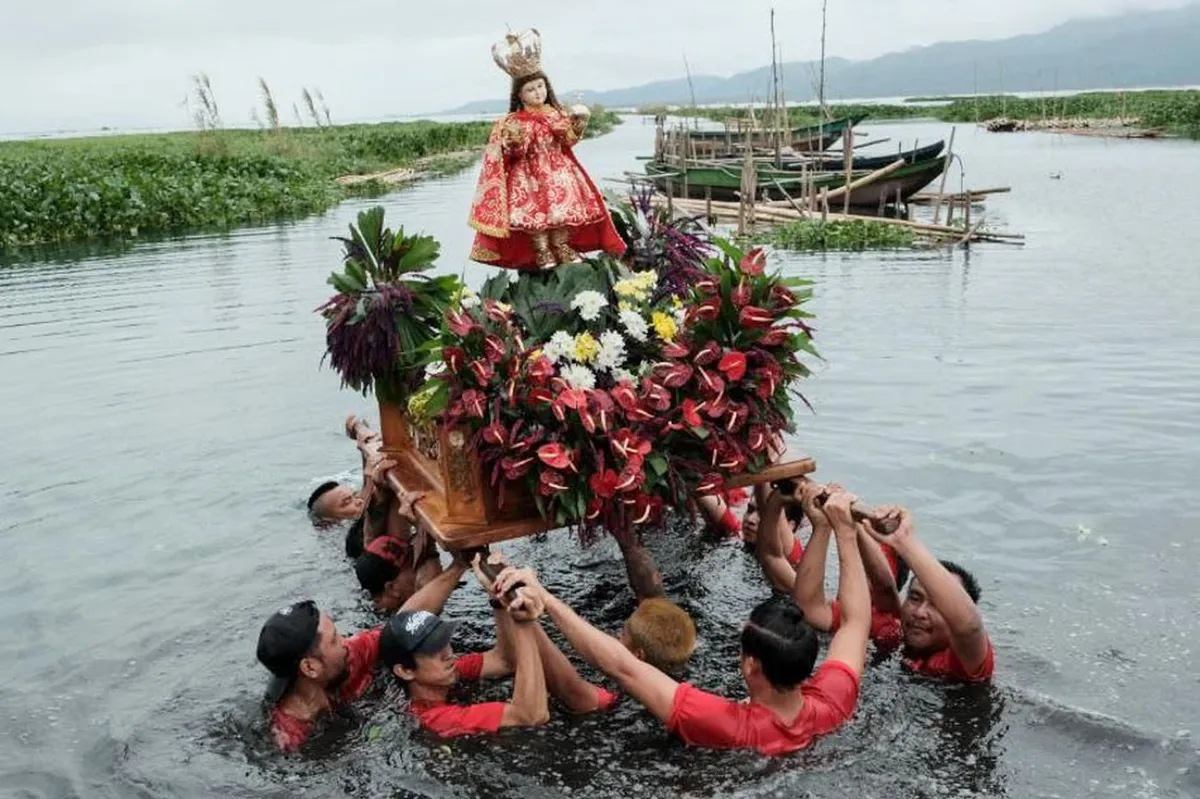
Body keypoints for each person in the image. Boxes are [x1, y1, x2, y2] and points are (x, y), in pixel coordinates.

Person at [491, 490, 872, 755]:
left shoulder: (726, 725)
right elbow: (856, 623)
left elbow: (622, 667)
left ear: (751, 664)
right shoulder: (832, 703)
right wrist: (842, 530)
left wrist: (547, 598)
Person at [381, 555, 616, 737]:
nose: (448, 654)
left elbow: (505, 660)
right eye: (434, 649)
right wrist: (523, 623)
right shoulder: (436, 720)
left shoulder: (440, 672)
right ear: (405, 671)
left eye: (445, 641)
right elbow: (531, 715)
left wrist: (499, 596)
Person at [255, 556, 468, 752]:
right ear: (310, 668)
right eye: (334, 640)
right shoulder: (290, 740)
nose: (346, 642)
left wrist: (459, 565)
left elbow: (400, 627)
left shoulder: (346, 660)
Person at [791, 486, 994, 683]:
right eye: (914, 598)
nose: (920, 613)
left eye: (937, 606)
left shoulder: (965, 661)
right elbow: (811, 609)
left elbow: (968, 627)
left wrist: (904, 541)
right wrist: (823, 527)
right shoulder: (891, 632)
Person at [468, 28, 625, 269]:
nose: (537, 93)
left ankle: (562, 246)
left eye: (540, 86)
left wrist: (579, 123)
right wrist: (513, 142)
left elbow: (568, 140)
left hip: (559, 171)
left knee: (561, 211)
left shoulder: (556, 114)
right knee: (535, 214)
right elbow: (511, 153)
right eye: (530, 89)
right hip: (528, 175)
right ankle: (541, 251)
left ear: (547, 87)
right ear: (520, 95)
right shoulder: (514, 121)